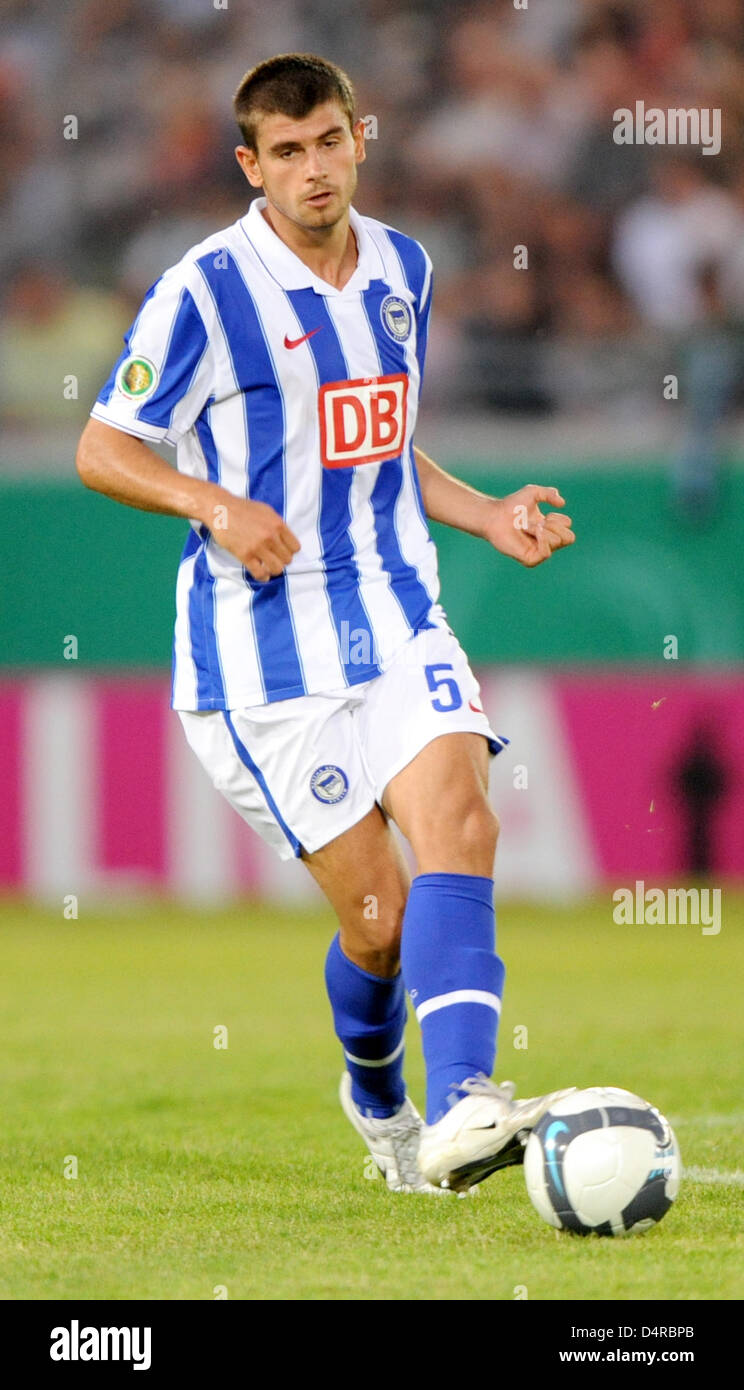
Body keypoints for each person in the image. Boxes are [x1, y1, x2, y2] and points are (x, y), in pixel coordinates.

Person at [76, 53, 576, 1194]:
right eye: (287, 152)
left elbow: (382, 443)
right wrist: (213, 502)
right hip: (262, 656)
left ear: (364, 138)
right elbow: (102, 445)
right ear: (252, 166)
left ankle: (463, 1103)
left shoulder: (405, 265)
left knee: (461, 817)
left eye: (330, 142)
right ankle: (378, 1089)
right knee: (379, 924)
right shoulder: (202, 290)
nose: (314, 168)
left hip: (398, 612)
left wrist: (485, 512)